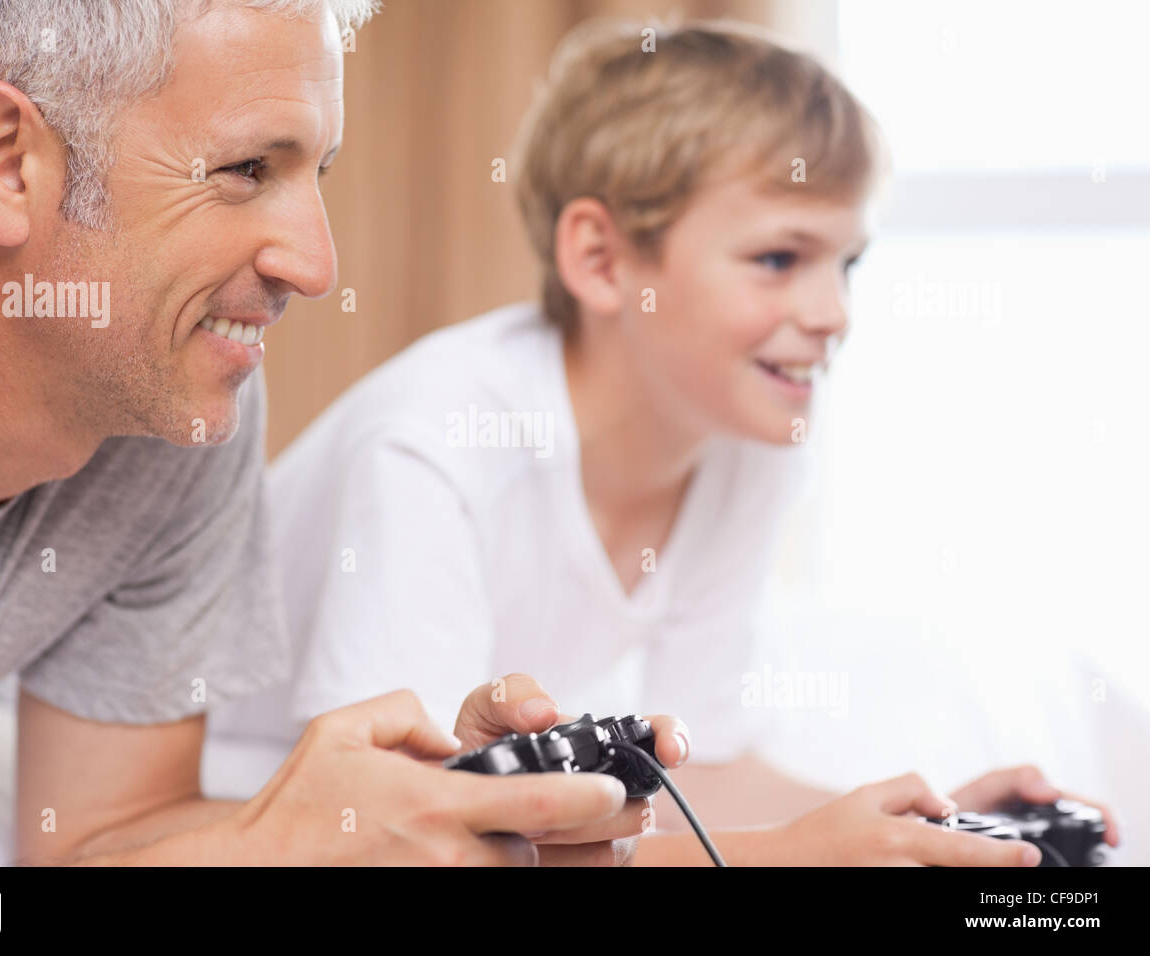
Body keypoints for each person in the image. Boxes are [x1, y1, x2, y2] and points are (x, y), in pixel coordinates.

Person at [211, 18, 1120, 865]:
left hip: (490, 826)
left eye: (846, 263)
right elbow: (406, 828)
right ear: (603, 261)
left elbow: (701, 773)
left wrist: (920, 824)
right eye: (779, 259)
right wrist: (803, 856)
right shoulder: (436, 444)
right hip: (252, 815)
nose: (833, 314)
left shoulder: (750, 445)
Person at [0, 0, 679, 866]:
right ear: (5, 163)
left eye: (317, 173)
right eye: (246, 169)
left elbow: (93, 838)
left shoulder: (167, 416)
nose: (317, 268)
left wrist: (366, 827)